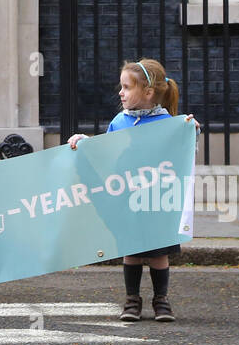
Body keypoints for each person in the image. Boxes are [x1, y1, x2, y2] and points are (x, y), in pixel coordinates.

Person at [68, 58, 200, 324]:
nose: (121, 92)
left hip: (157, 199)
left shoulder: (168, 122)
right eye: (122, 87)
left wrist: (191, 131)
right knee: (132, 252)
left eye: (126, 87)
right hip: (128, 198)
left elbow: (181, 154)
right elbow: (105, 152)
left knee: (158, 254)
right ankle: (132, 301)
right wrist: (84, 142)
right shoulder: (120, 121)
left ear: (148, 92)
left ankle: (161, 301)